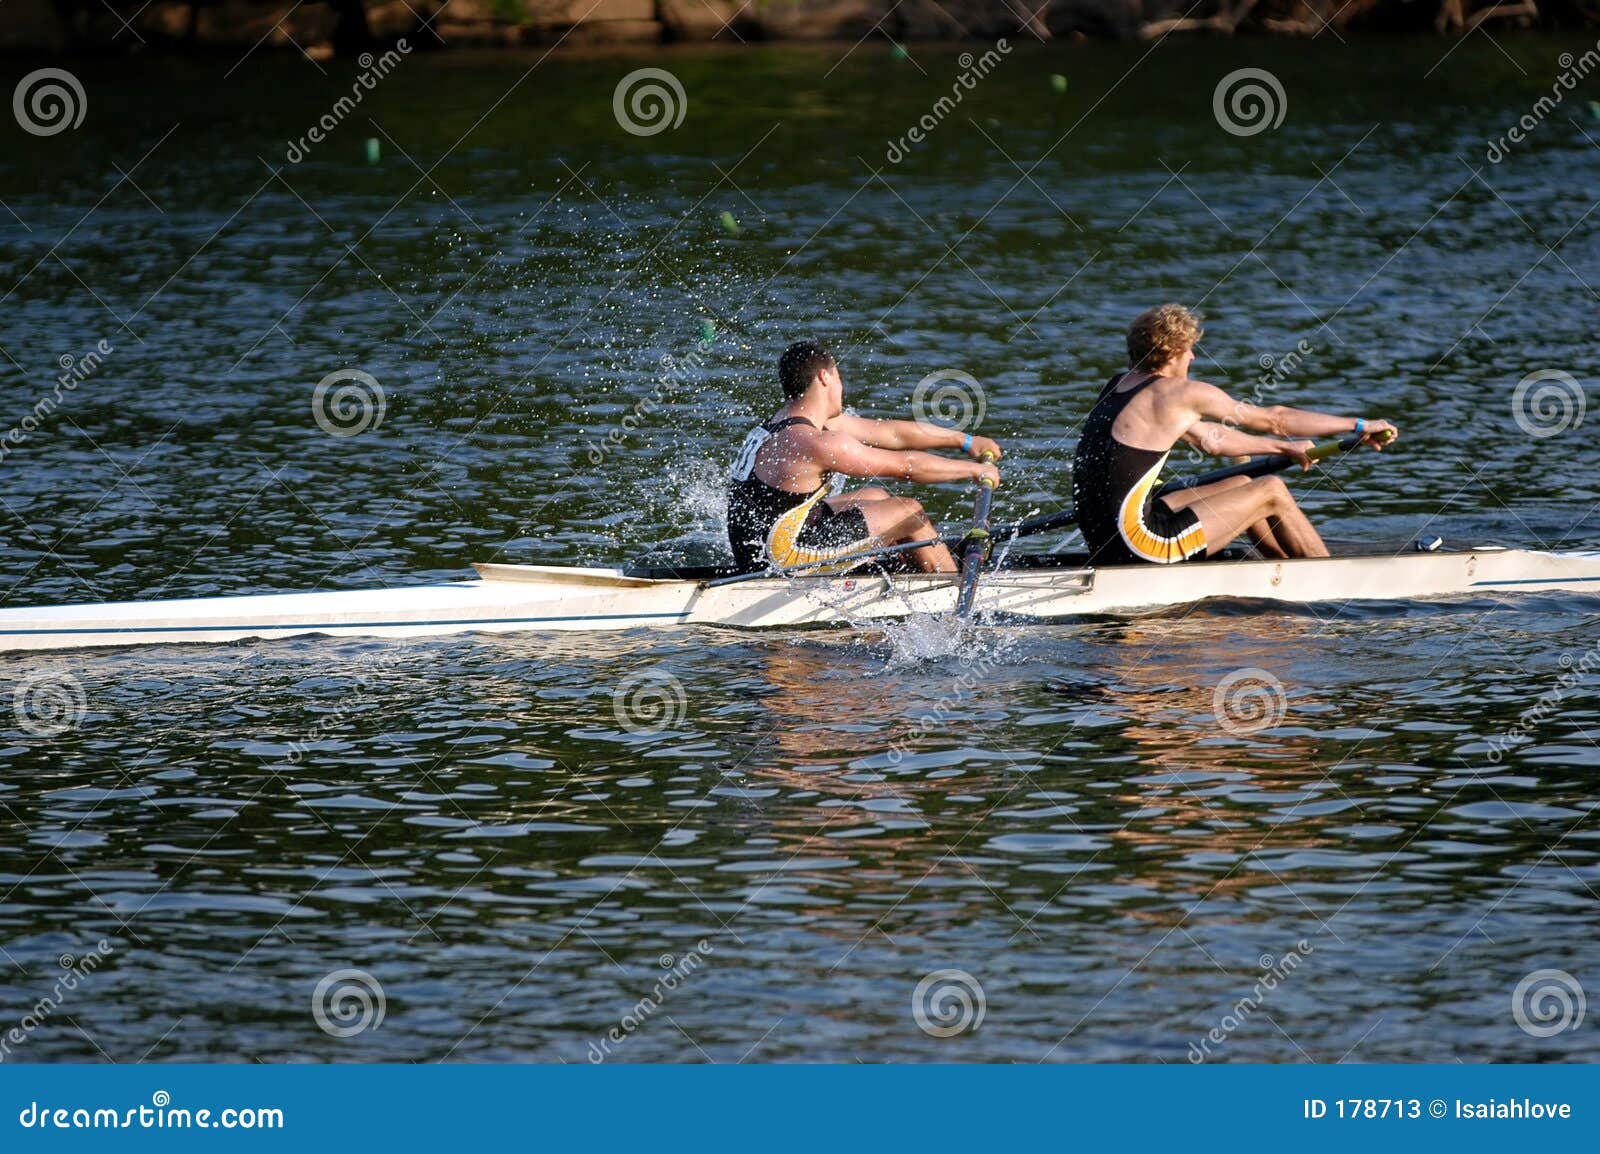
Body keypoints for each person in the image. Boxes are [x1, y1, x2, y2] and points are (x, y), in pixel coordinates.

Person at [1072, 305, 1397, 565]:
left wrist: (1282, 450)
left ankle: (1282, 570)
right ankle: (1329, 583)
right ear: (1173, 352)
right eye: (1190, 349)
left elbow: (1209, 439)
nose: (1193, 357)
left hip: (1103, 539)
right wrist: (1358, 425)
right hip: (1140, 545)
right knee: (1272, 489)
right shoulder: (1179, 393)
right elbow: (1275, 420)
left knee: (1243, 485)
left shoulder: (1118, 385)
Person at [727, 341, 1002, 574]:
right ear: (824, 377)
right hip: (778, 559)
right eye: (838, 377)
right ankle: (949, 588)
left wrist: (965, 441)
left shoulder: (787, 424)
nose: (841, 386)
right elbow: (907, 467)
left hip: (765, 541)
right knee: (909, 512)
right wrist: (975, 471)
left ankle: (903, 567)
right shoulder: (813, 443)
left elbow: (892, 433)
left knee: (876, 496)